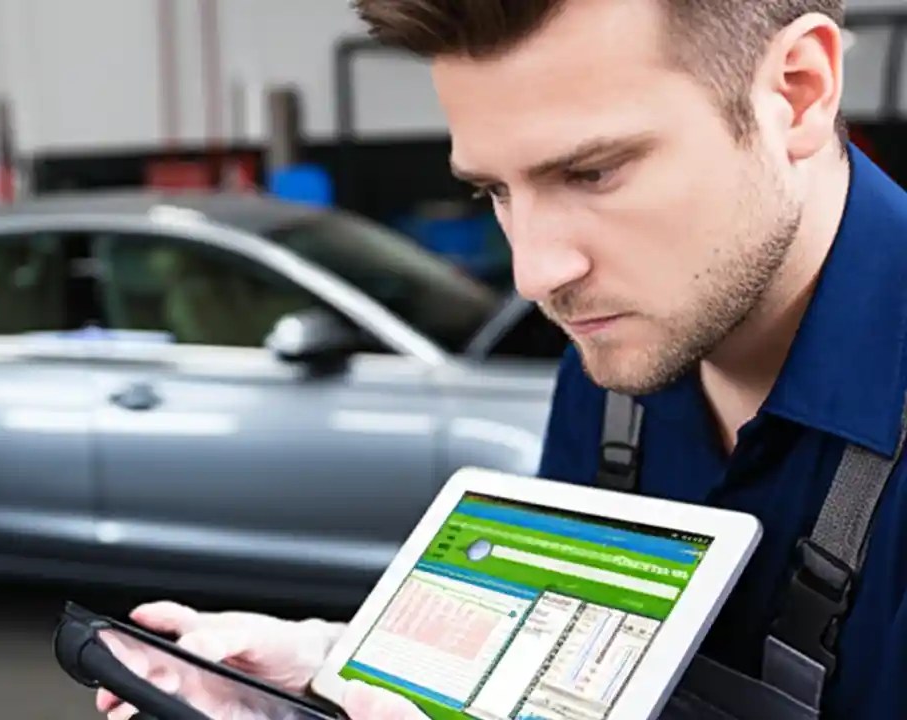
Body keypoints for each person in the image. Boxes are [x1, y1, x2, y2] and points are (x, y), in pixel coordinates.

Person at [96, 0, 907, 717]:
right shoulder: (619, 363)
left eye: (592, 171)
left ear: (797, 90)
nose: (536, 275)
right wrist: (328, 672)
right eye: (496, 192)